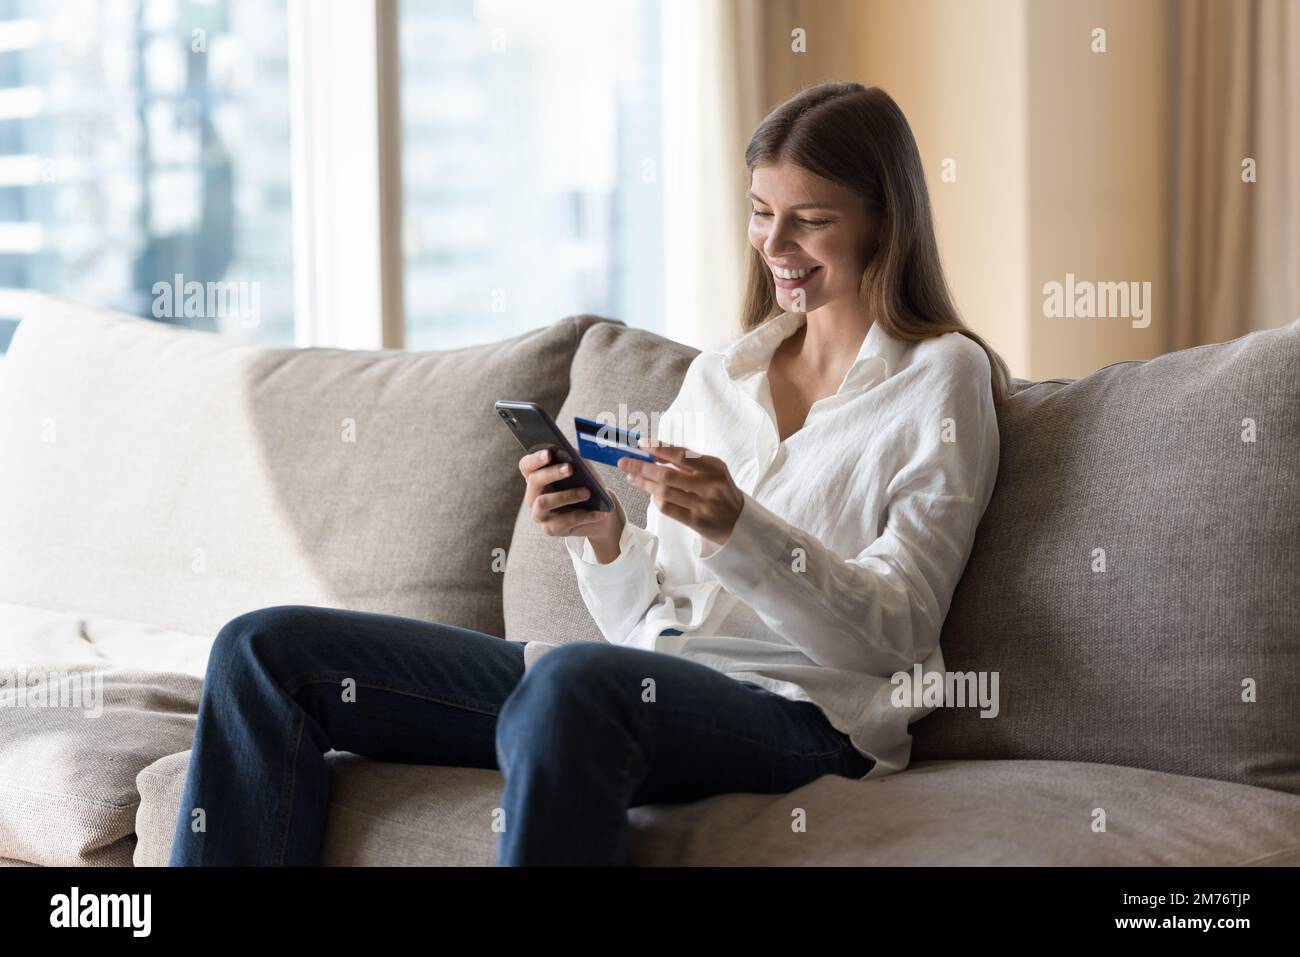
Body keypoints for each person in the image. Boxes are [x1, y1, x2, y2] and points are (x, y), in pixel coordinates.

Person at [168, 81, 1010, 867]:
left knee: (574, 683)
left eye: (810, 220)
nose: (775, 246)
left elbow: (897, 630)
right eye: (760, 213)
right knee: (265, 649)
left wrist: (738, 527)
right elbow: (646, 621)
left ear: (882, 218)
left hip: (806, 716)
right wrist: (607, 539)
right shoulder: (721, 377)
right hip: (648, 676)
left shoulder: (942, 376)